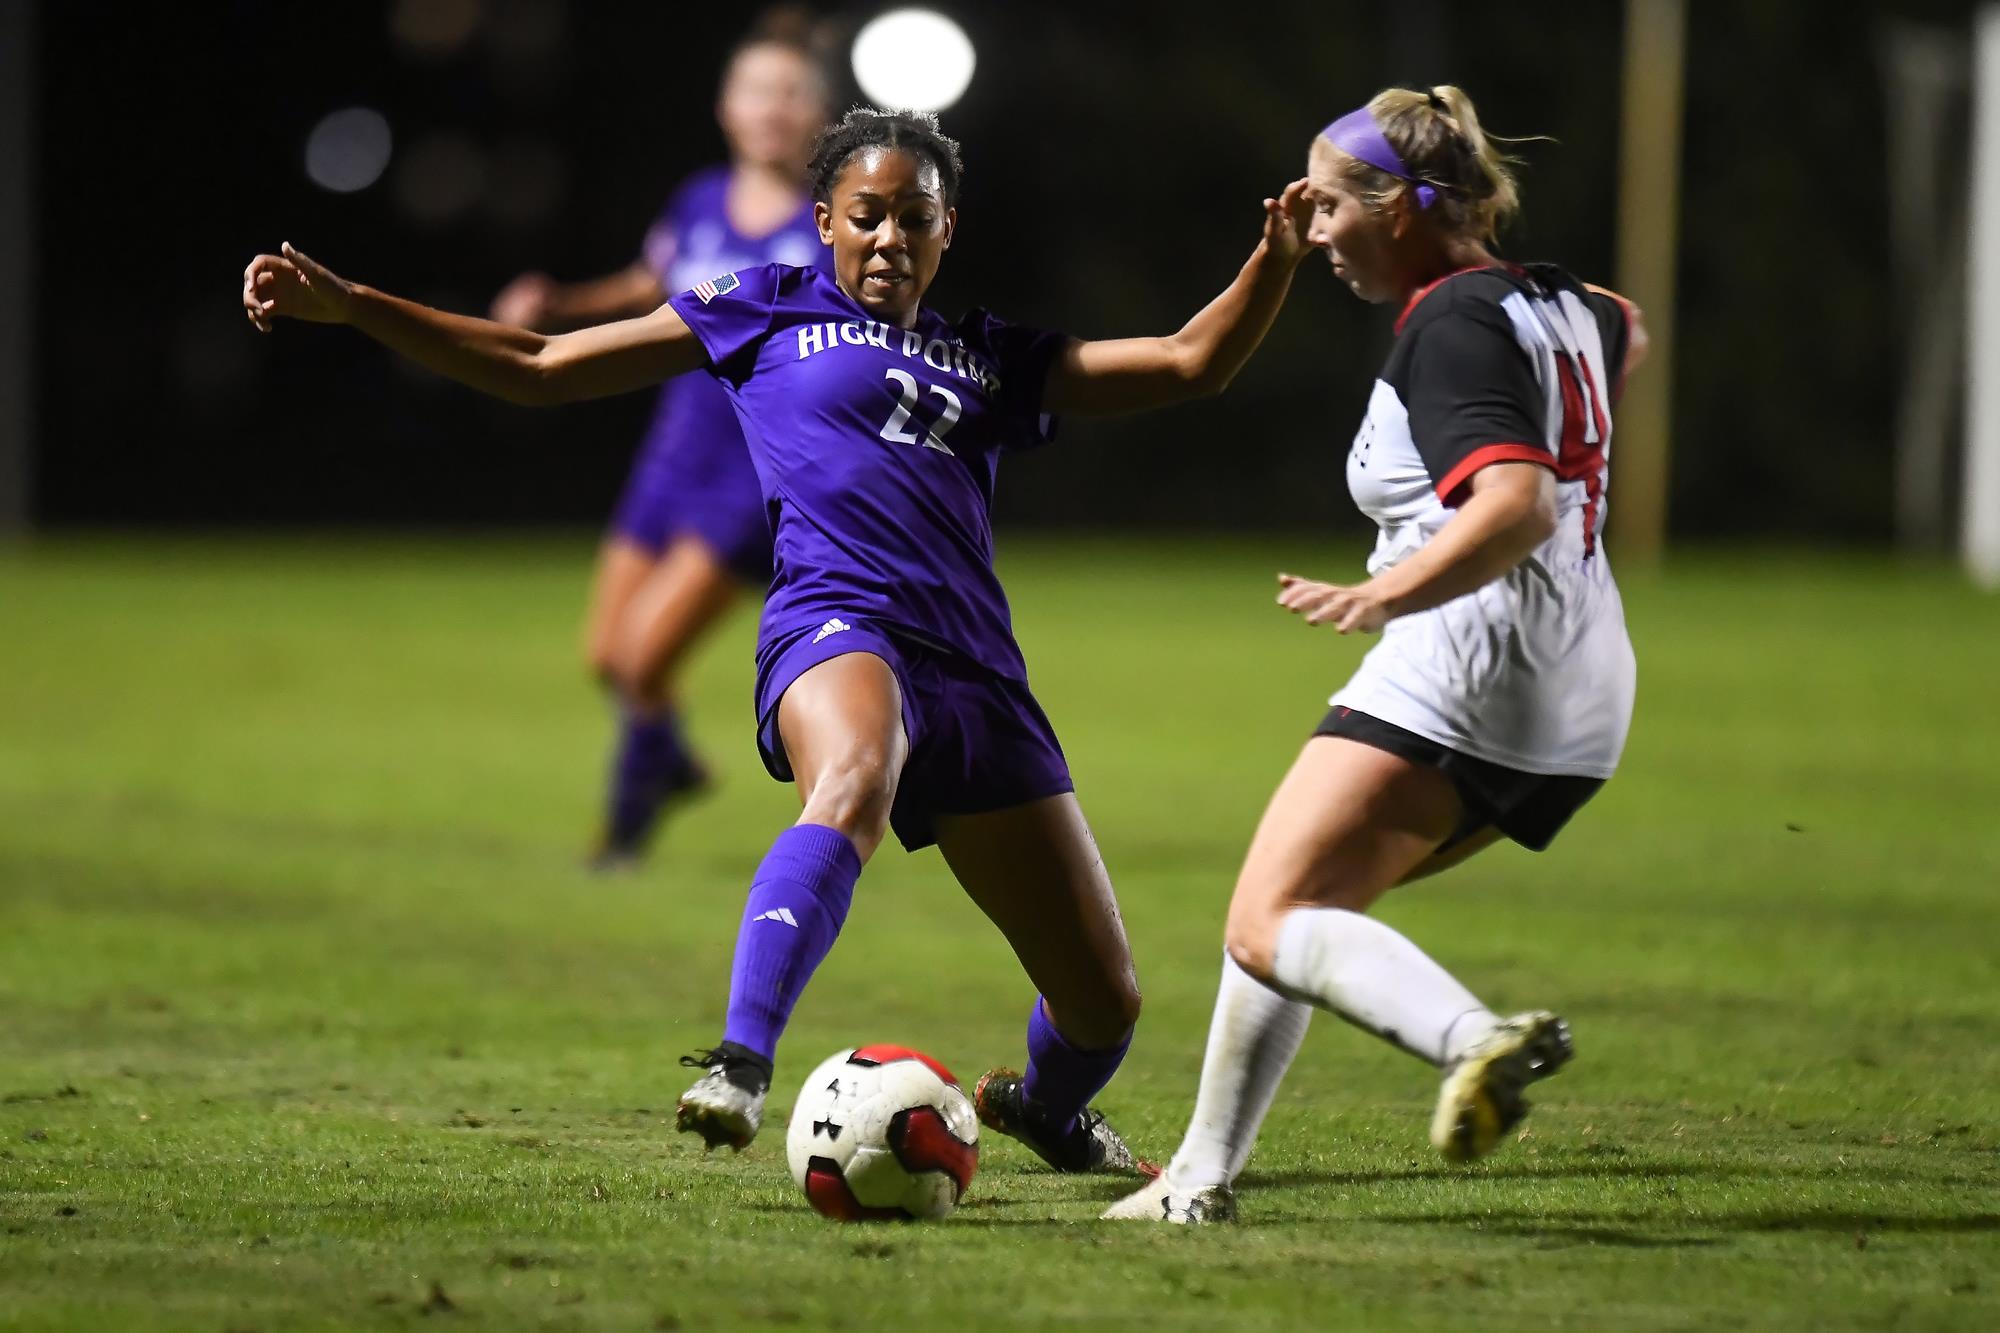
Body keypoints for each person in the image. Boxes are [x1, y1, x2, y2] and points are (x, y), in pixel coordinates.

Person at [242, 107, 1317, 1173]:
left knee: (1102, 1003)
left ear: (949, 232)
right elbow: (537, 359)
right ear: (823, 223)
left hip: (976, 669)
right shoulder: (762, 309)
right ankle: (740, 1064)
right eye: (866, 216)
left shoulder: (993, 356)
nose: (889, 237)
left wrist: (1271, 258)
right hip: (835, 622)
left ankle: (1040, 1105)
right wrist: (356, 308)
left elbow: (1188, 362)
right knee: (850, 779)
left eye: (914, 218)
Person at [1105, 85, 1647, 1224]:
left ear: (1400, 206)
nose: (1313, 233)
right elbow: (1624, 322)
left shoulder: (1447, 326)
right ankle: (1195, 1181)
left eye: (1327, 210)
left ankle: (1472, 1040)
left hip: (1469, 667)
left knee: (1268, 918)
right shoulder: (1552, 300)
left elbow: (1515, 506)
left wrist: (1382, 590)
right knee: (1300, 912)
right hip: (1584, 694)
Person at [490, 16, 831, 869]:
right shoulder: (697, 202)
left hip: (754, 476)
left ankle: (624, 834)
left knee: (645, 657)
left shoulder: (833, 227)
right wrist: (562, 303)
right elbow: (652, 288)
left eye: (792, 93)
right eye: (757, 90)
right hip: (674, 452)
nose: (773, 109)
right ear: (726, 107)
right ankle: (671, 761)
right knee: (606, 654)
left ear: (821, 114)